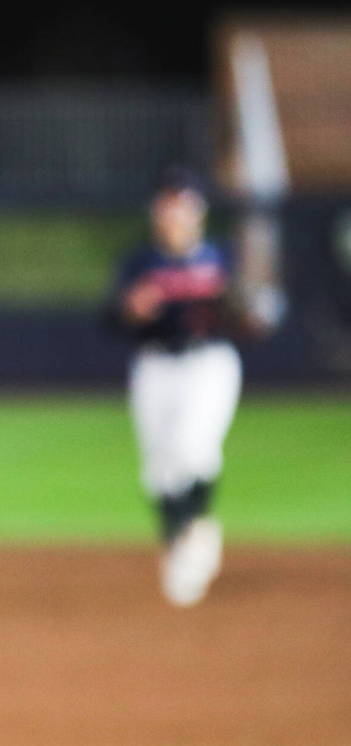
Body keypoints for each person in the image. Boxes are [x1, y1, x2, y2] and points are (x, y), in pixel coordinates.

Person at [109, 167, 240, 607]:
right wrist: (131, 309)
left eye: (182, 204)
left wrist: (240, 304)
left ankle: (197, 529)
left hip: (208, 362)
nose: (174, 213)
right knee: (158, 466)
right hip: (155, 364)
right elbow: (112, 319)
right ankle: (176, 543)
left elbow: (254, 314)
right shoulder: (140, 261)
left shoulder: (223, 254)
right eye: (167, 204)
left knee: (192, 447)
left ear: (198, 211)